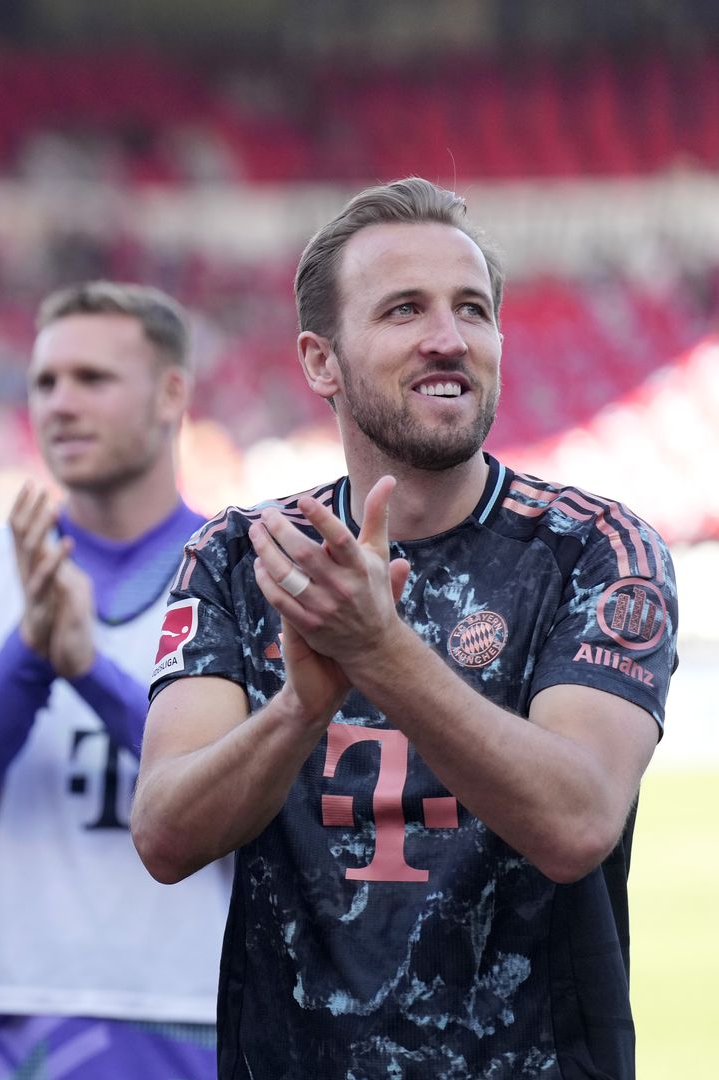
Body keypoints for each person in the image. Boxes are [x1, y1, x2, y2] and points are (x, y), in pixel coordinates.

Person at [131, 178, 676, 1079]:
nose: (448, 337)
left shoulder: (593, 549)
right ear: (321, 361)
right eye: (404, 309)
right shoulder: (241, 556)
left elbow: (578, 821)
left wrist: (378, 652)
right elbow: (163, 835)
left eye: (473, 309)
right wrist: (298, 711)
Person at [0, 282, 226, 1079]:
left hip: (189, 1005)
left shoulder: (243, 566)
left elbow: (230, 799)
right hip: (7, 1008)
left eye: (93, 379)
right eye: (45, 382)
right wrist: (33, 643)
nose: (60, 403)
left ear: (171, 395)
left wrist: (87, 667)